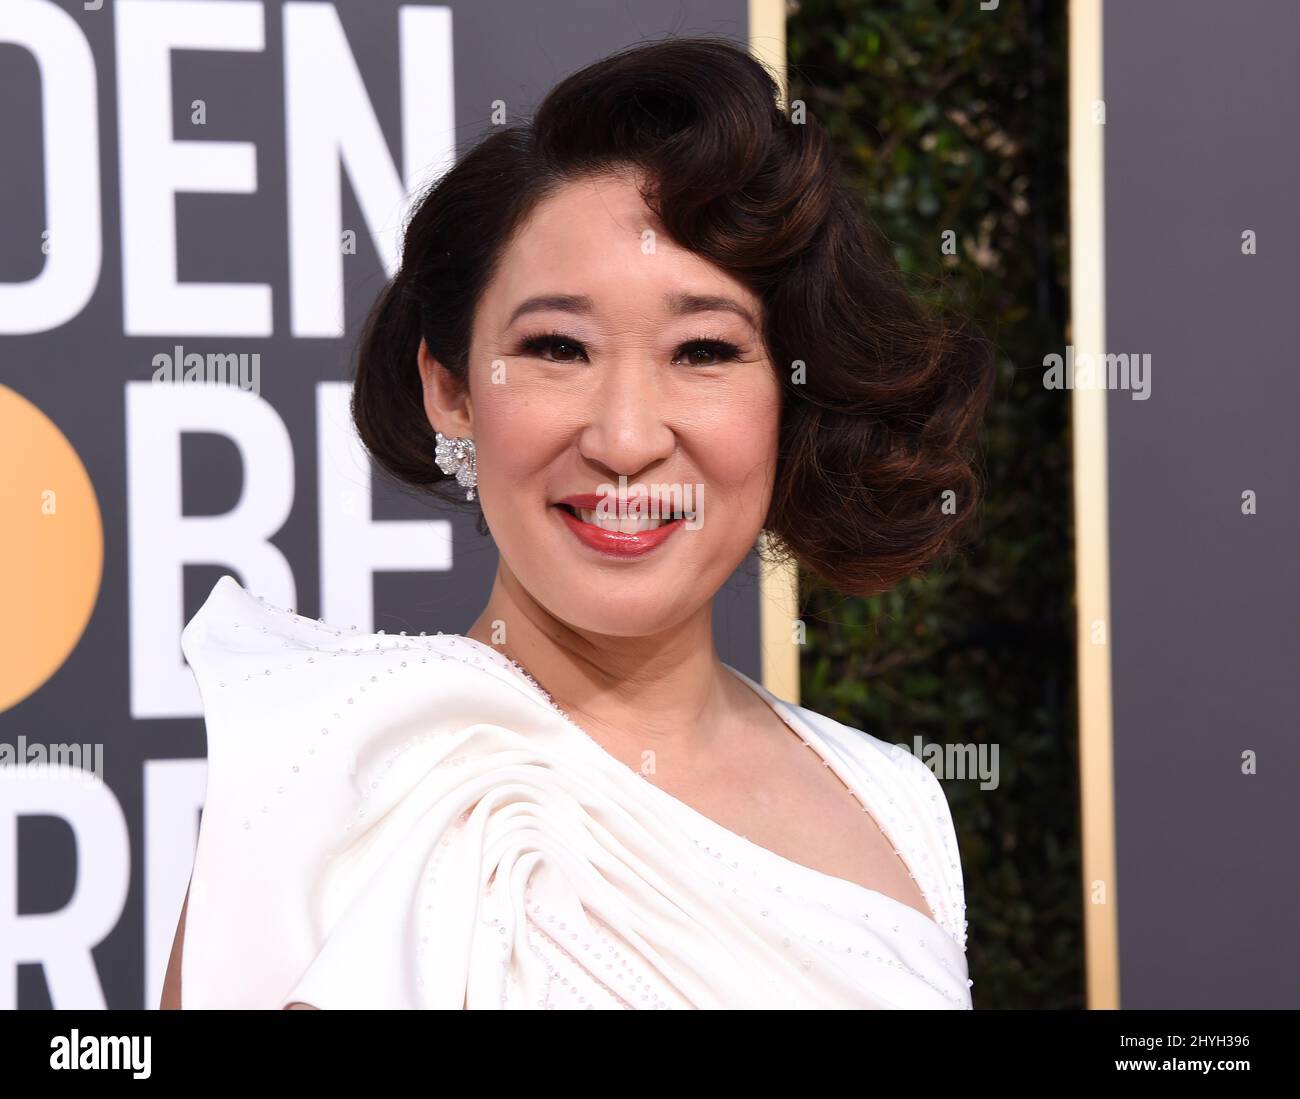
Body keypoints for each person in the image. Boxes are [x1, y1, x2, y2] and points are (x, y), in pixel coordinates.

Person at [162, 35, 993, 1010]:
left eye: (704, 350)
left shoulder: (895, 802)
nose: (627, 437)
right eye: (557, 346)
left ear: (789, 394)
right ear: (451, 389)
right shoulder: (335, 783)